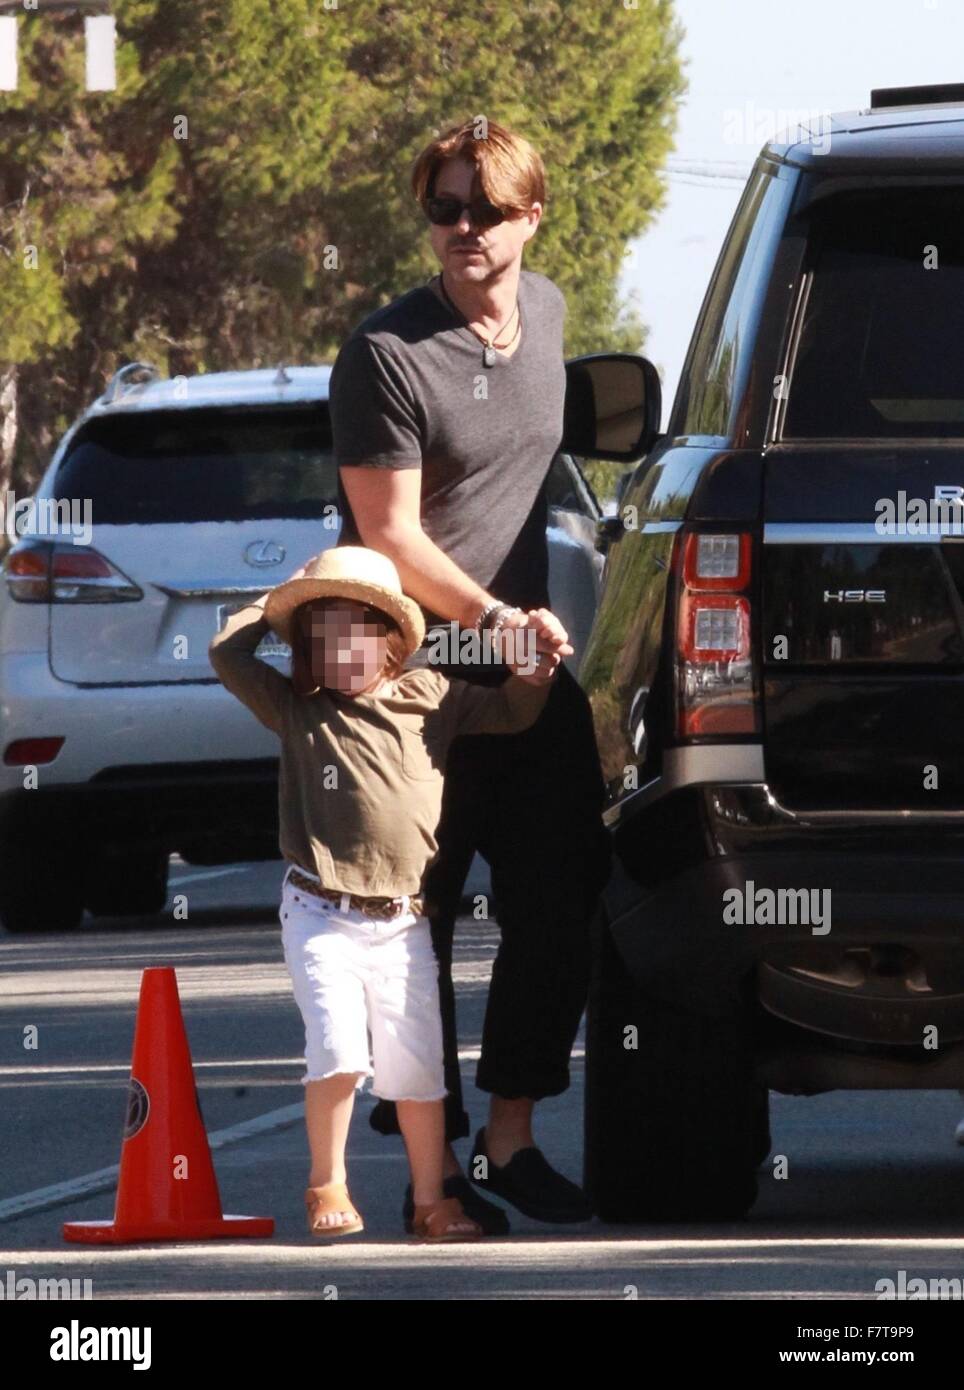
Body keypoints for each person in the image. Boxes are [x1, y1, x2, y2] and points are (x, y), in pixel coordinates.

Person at [328, 117, 612, 1232]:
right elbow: (389, 532)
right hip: (406, 680)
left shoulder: (542, 317)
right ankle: (431, 1176)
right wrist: (494, 616)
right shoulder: (387, 355)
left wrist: (519, 636)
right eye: (442, 209)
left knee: (564, 895)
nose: (458, 229)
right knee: (415, 929)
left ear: (530, 214)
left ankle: (509, 1138)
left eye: (482, 210)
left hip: (521, 673)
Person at [208, 545, 564, 1241]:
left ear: (391, 640)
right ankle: (327, 1184)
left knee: (419, 1072)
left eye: (356, 633)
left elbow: (515, 711)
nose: (341, 651)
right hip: (320, 912)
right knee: (339, 1052)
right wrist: (284, 595)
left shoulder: (430, 694)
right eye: (321, 638)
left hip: (403, 923)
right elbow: (228, 653)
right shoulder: (295, 708)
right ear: (306, 652)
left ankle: (434, 1201)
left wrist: (538, 665)